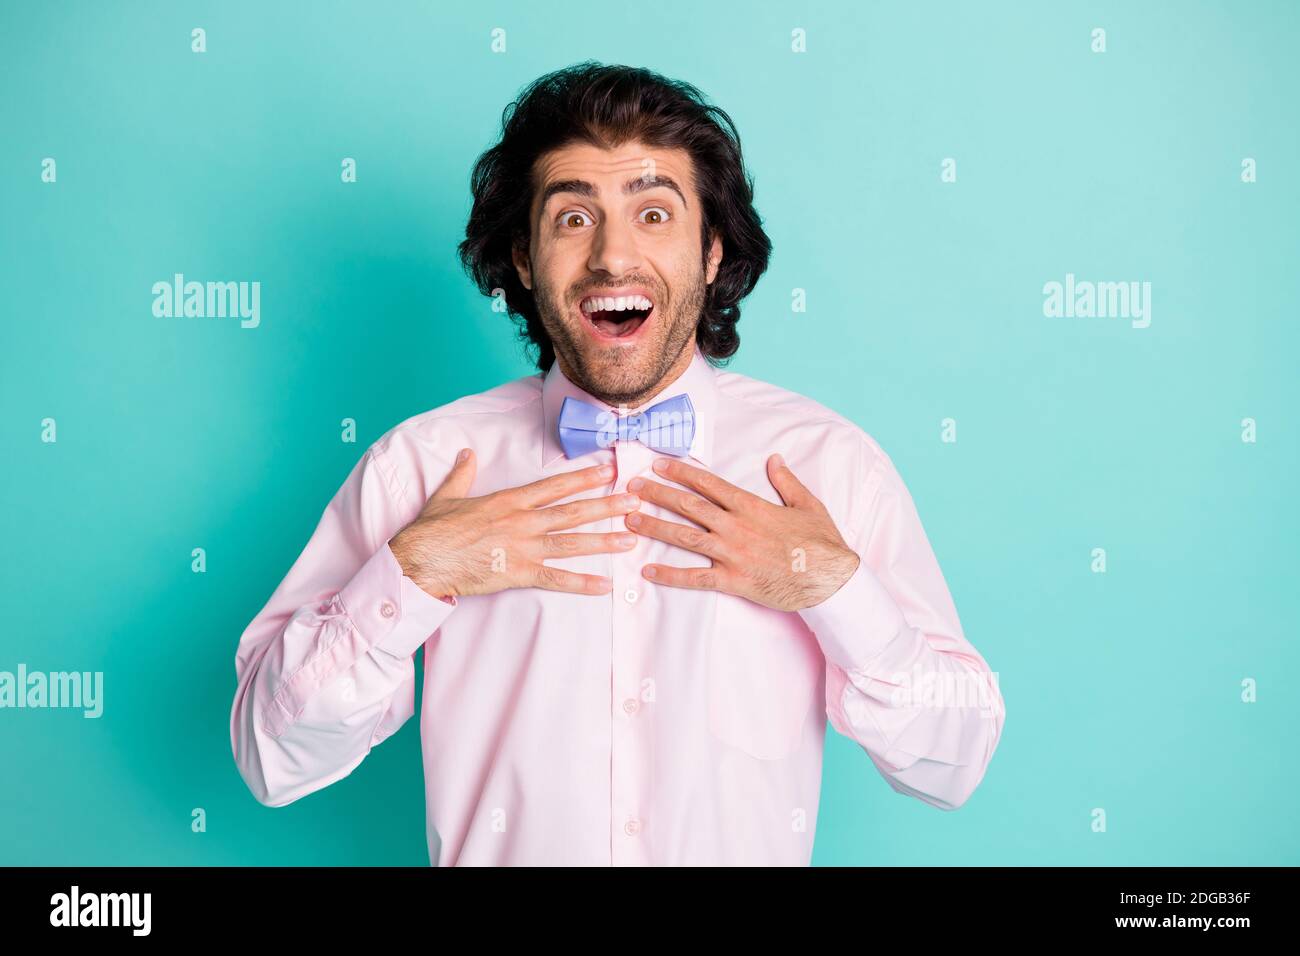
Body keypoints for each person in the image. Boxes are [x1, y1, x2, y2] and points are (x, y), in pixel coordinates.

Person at [230, 61, 1005, 866]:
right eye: (572, 218)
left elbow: (955, 762)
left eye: (654, 213)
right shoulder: (419, 467)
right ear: (525, 263)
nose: (611, 258)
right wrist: (408, 576)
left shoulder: (830, 467)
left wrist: (836, 592)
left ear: (711, 252)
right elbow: (271, 758)